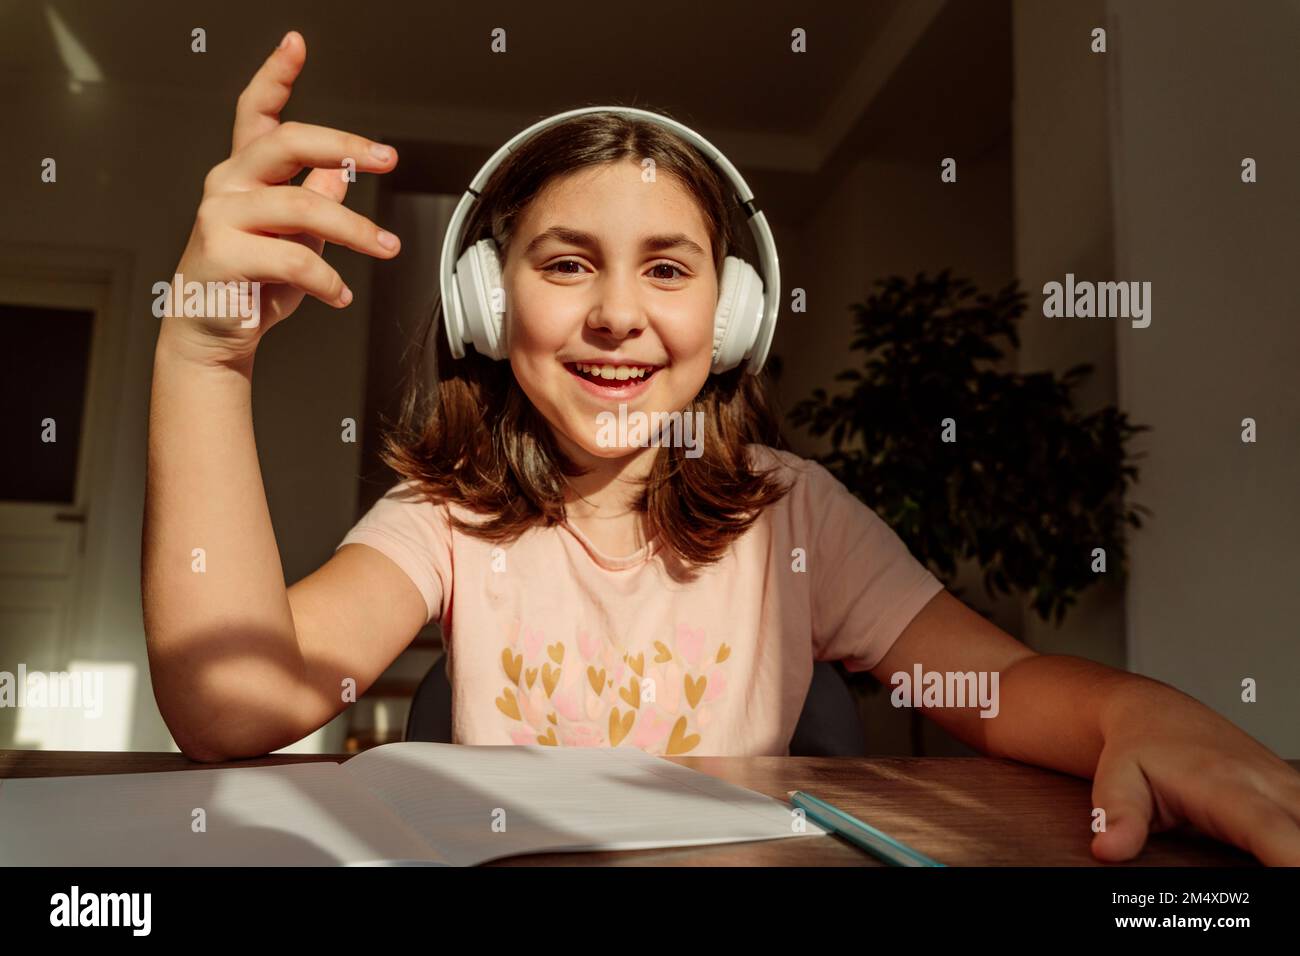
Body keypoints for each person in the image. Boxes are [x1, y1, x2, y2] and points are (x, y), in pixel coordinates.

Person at [142, 30, 1300, 865]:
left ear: (732, 315)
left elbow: (997, 687)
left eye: (664, 266)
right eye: (562, 263)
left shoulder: (793, 511)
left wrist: (1136, 713)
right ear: (491, 313)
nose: (613, 314)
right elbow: (231, 705)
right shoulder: (446, 517)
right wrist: (205, 355)